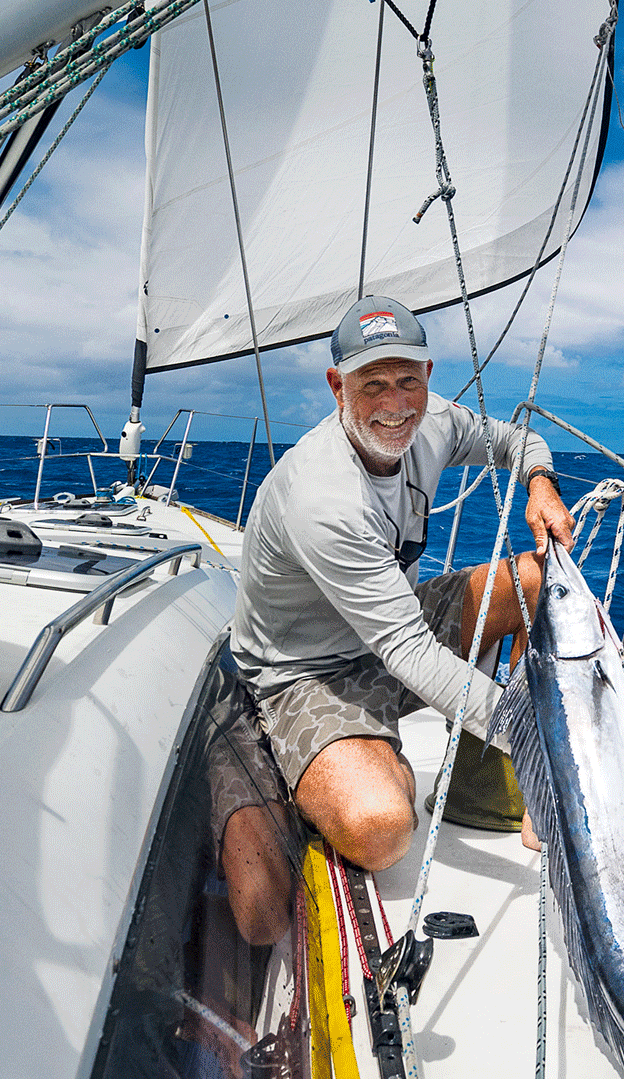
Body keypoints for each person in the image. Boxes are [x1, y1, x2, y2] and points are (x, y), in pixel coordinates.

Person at [231, 295, 574, 872]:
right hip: (307, 673)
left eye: (407, 381)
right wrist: (544, 746)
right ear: (338, 386)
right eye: (373, 385)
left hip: (395, 627)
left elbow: (516, 440)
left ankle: (480, 789)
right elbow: (408, 651)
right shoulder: (323, 499)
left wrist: (541, 485)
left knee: (540, 581)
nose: (395, 405)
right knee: (382, 832)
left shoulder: (434, 420)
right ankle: (333, 758)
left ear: (428, 377)